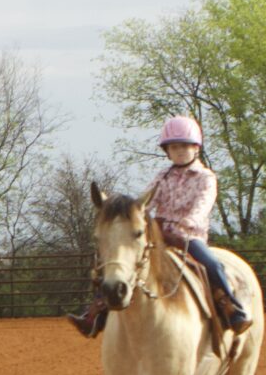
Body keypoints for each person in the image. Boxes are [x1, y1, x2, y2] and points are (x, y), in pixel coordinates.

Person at [73, 115, 252, 337]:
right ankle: (95, 313)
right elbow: (145, 202)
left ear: (196, 148)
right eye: (174, 147)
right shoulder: (163, 176)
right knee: (121, 262)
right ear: (167, 151)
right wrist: (133, 214)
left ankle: (232, 309)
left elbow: (203, 205)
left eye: (185, 146)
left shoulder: (205, 177)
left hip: (189, 237)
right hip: (159, 236)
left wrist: (188, 221)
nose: (179, 151)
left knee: (212, 264)